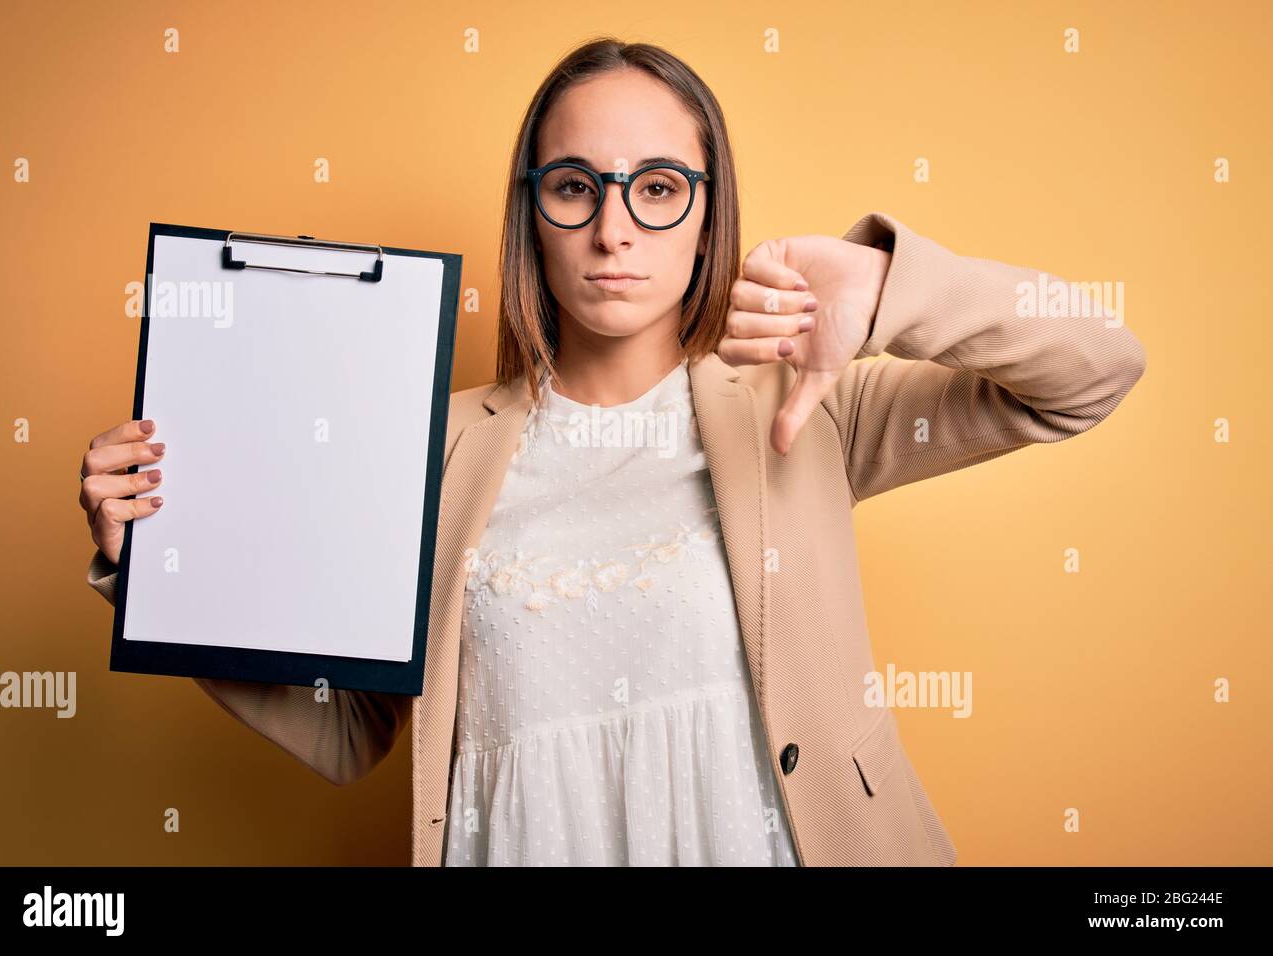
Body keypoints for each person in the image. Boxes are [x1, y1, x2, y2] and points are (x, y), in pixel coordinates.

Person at [80, 37, 1146, 866]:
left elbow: (1092, 370)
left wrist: (891, 290)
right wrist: (162, 573)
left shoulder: (801, 408)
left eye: (657, 187)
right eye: (576, 185)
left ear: (703, 211)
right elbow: (350, 728)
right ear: (533, 211)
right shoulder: (428, 450)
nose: (614, 229)